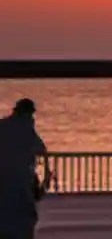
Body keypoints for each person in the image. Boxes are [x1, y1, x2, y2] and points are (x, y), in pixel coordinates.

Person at [0, 98, 47, 239]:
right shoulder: (26, 129)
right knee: (23, 218)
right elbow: (40, 150)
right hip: (20, 183)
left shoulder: (3, 125)